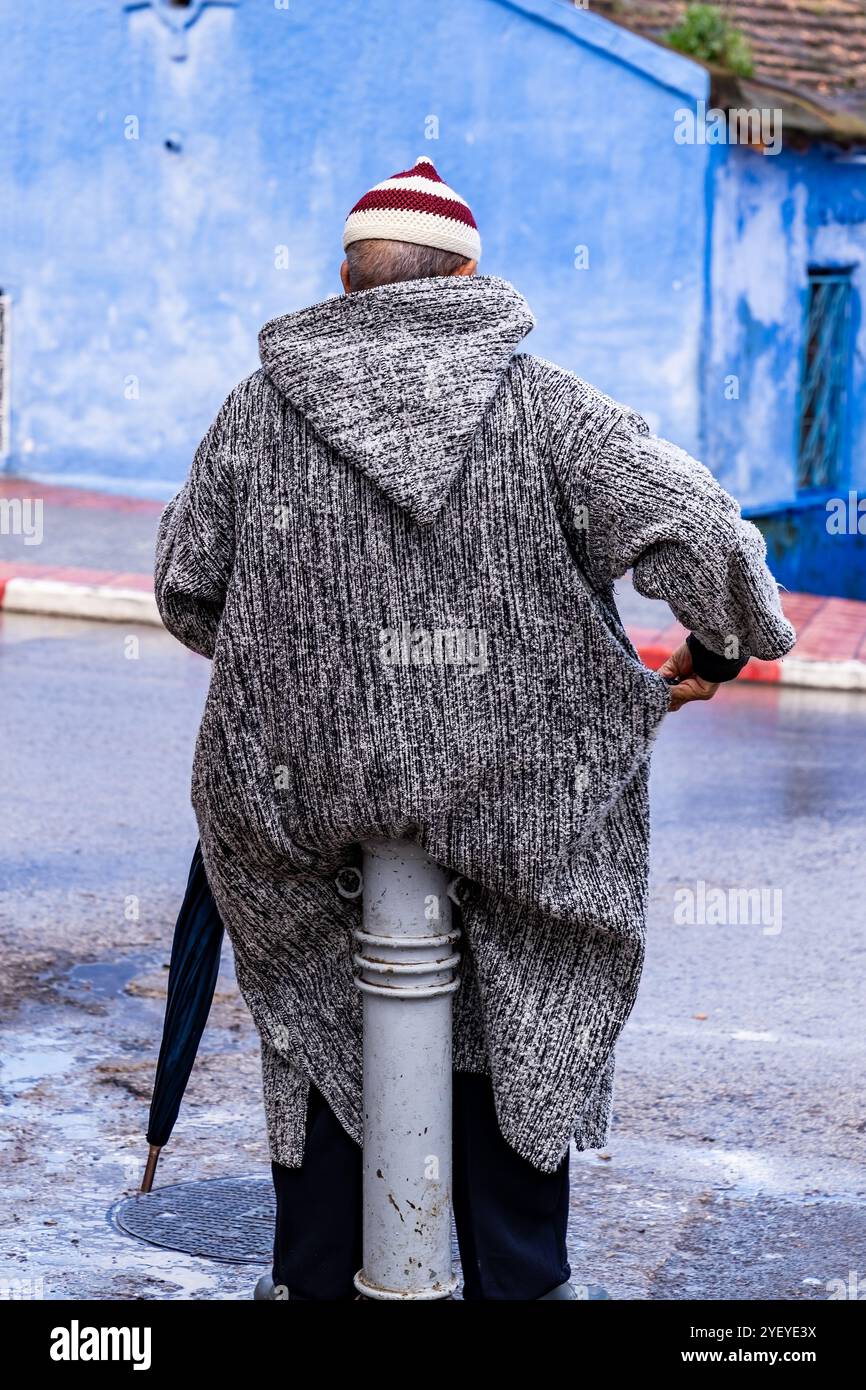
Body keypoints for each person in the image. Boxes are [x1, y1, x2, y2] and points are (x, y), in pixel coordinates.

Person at [154, 155, 796, 1300]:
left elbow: (188, 590)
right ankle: (519, 1276)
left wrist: (320, 680)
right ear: (464, 278)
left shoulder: (255, 412)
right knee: (528, 994)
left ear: (347, 281)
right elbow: (703, 536)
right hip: (521, 797)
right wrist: (712, 648)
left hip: (302, 802)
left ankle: (311, 1276)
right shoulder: (550, 409)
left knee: (314, 1006)